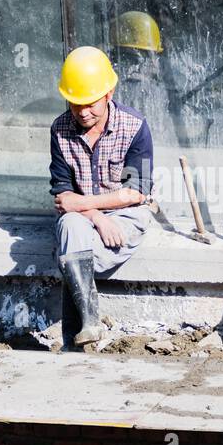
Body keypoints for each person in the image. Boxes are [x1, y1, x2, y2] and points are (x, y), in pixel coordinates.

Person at [49, 46, 155, 347]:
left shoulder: (135, 126)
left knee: (70, 257)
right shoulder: (59, 130)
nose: (82, 113)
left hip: (125, 215)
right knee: (71, 229)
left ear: (108, 94)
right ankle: (90, 323)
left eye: (90, 104)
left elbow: (135, 192)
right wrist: (95, 217)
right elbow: (62, 193)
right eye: (75, 104)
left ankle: (72, 341)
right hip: (82, 220)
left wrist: (83, 205)